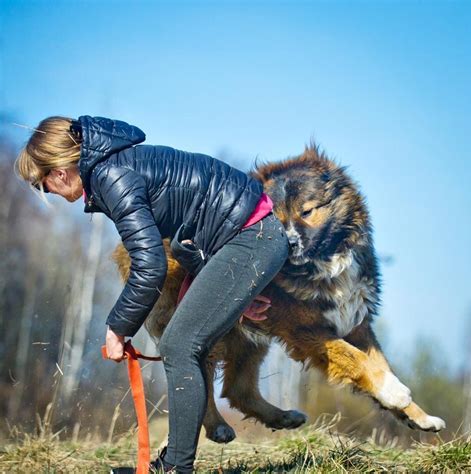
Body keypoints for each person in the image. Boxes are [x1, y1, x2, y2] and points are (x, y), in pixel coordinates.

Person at [14, 116, 289, 473]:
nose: (45, 192)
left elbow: (150, 265)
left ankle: (175, 467)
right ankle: (175, 464)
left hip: (252, 237)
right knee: (183, 342)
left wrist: (117, 328)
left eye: (41, 183)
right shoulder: (116, 168)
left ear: (61, 171)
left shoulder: (113, 178)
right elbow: (192, 227)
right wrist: (230, 289)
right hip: (243, 239)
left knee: (178, 344)